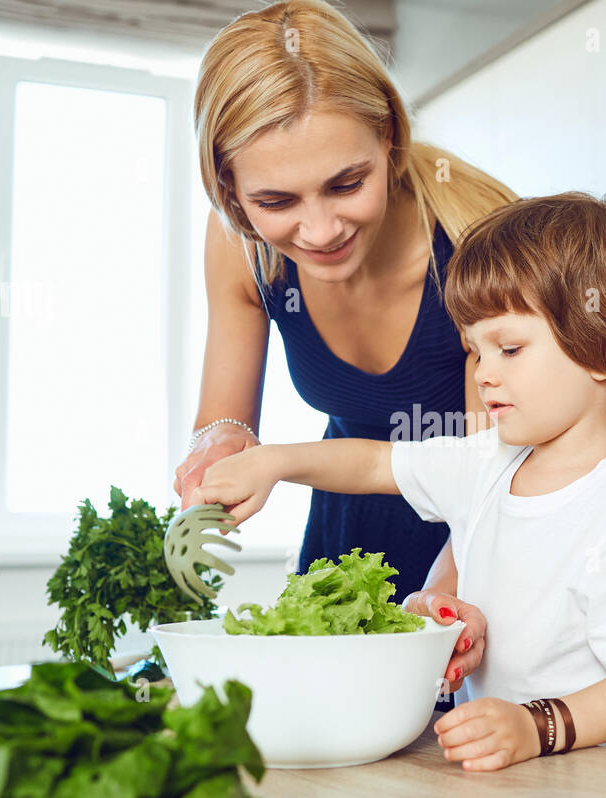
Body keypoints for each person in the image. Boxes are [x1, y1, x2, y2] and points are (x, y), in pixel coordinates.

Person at [188, 191, 606, 771]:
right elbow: (374, 464)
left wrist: (537, 726)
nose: (484, 375)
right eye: (475, 351)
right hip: (518, 780)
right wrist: (275, 462)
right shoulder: (488, 460)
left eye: (509, 347)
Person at [173, 0, 520, 711]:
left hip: (476, 544)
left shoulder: (480, 235)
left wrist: (438, 605)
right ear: (231, 193)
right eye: (276, 200)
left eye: (346, 183)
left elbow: (490, 478)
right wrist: (219, 451)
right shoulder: (241, 245)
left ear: (389, 137)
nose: (321, 229)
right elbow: (227, 425)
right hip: (347, 530)